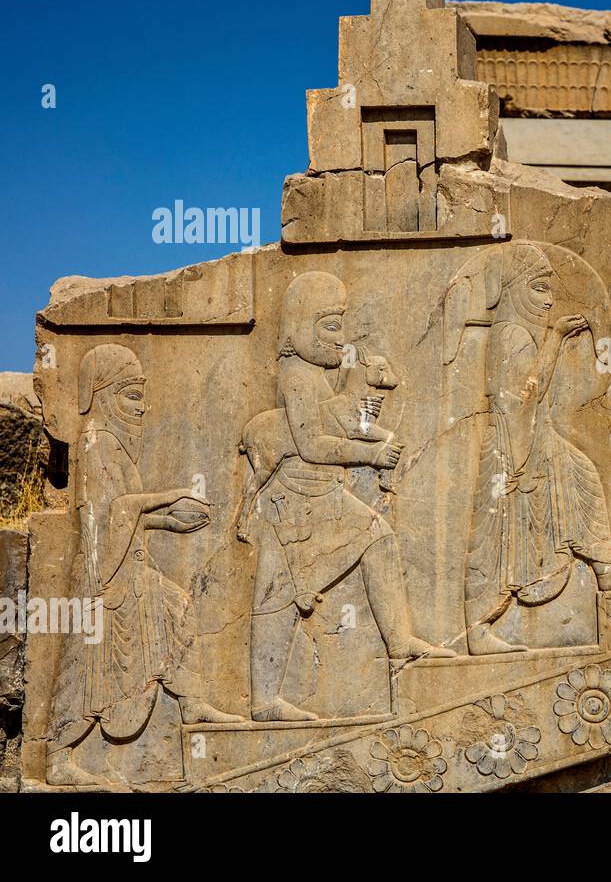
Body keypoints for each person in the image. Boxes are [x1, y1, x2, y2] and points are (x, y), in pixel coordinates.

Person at [245, 272, 449, 723]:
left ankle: (399, 641)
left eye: (342, 327)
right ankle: (263, 701)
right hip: (295, 499)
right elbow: (311, 445)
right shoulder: (296, 375)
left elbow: (340, 422)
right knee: (277, 592)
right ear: (299, 326)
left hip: (321, 495)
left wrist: (372, 429)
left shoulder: (317, 376)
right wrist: (372, 456)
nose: (341, 340)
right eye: (330, 326)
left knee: (375, 537)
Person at [450, 244, 611, 655]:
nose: (548, 300)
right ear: (515, 290)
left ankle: (605, 569)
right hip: (511, 446)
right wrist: (557, 338)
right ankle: (477, 629)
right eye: (540, 288)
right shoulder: (511, 333)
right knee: (495, 535)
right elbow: (526, 394)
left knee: (581, 475)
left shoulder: (520, 331)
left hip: (535, 438)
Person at [47, 344, 238, 786]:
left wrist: (166, 522)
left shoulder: (111, 444)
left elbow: (123, 512)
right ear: (105, 393)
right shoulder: (95, 442)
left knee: (177, 607)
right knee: (85, 667)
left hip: (129, 570)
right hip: (102, 576)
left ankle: (189, 700)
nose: (143, 406)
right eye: (132, 395)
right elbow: (109, 514)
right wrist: (167, 497)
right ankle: (58, 757)